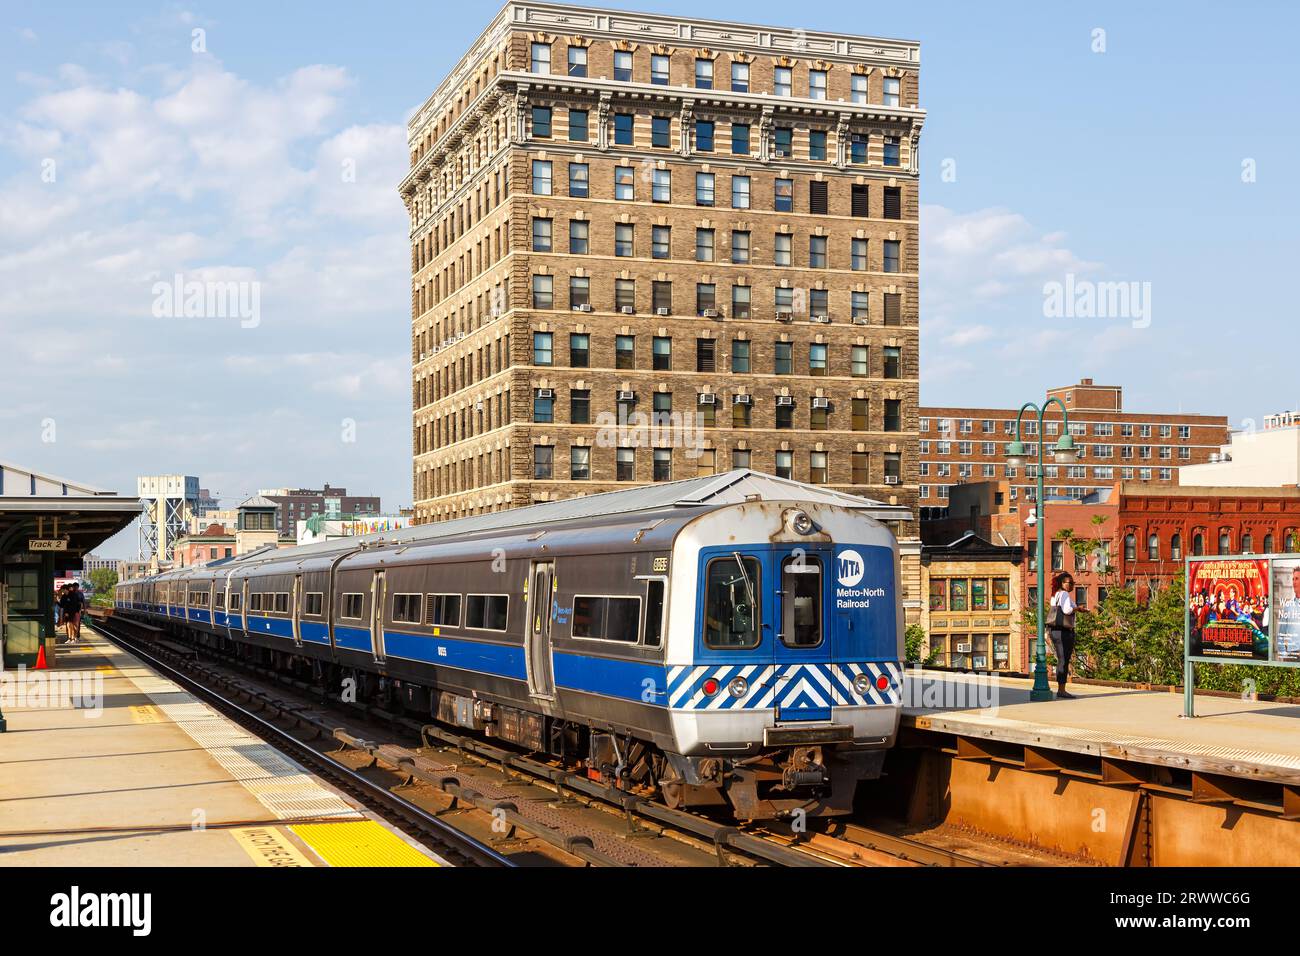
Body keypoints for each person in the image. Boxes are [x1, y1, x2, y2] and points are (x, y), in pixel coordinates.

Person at [1047, 572, 1077, 699]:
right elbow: (1067, 610)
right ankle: (1061, 689)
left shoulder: (1056, 595)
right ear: (1061, 583)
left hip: (1055, 631)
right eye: (1068, 583)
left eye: (1072, 583)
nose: (1070, 585)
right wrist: (1077, 609)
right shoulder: (1064, 594)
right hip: (1063, 631)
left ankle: (1061, 688)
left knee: (1061, 659)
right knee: (1064, 660)